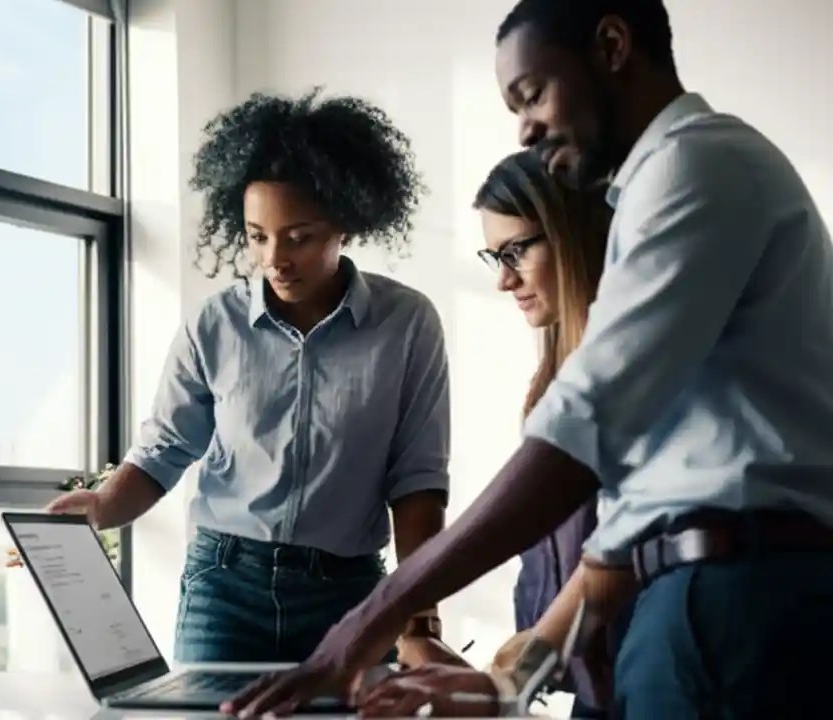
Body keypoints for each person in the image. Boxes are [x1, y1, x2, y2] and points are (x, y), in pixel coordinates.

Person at [224, 1, 833, 718]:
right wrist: (513, 679)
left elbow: (581, 432)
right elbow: (629, 526)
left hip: (731, 609)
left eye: (532, 94)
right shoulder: (673, 186)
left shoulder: (694, 164)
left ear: (612, 43)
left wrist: (371, 618)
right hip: (712, 605)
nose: (526, 128)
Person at [48, 89, 462, 667]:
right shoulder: (214, 324)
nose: (275, 258)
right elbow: (166, 449)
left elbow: (417, 483)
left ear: (345, 223)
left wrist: (420, 621)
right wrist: (101, 507)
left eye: (299, 236)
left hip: (349, 595)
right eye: (256, 236)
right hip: (224, 589)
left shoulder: (407, 324)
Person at [470, 149, 621, 719]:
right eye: (493, 256)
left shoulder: (634, 369)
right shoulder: (553, 378)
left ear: (572, 231)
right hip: (587, 687)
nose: (504, 280)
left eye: (516, 251)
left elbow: (625, 544)